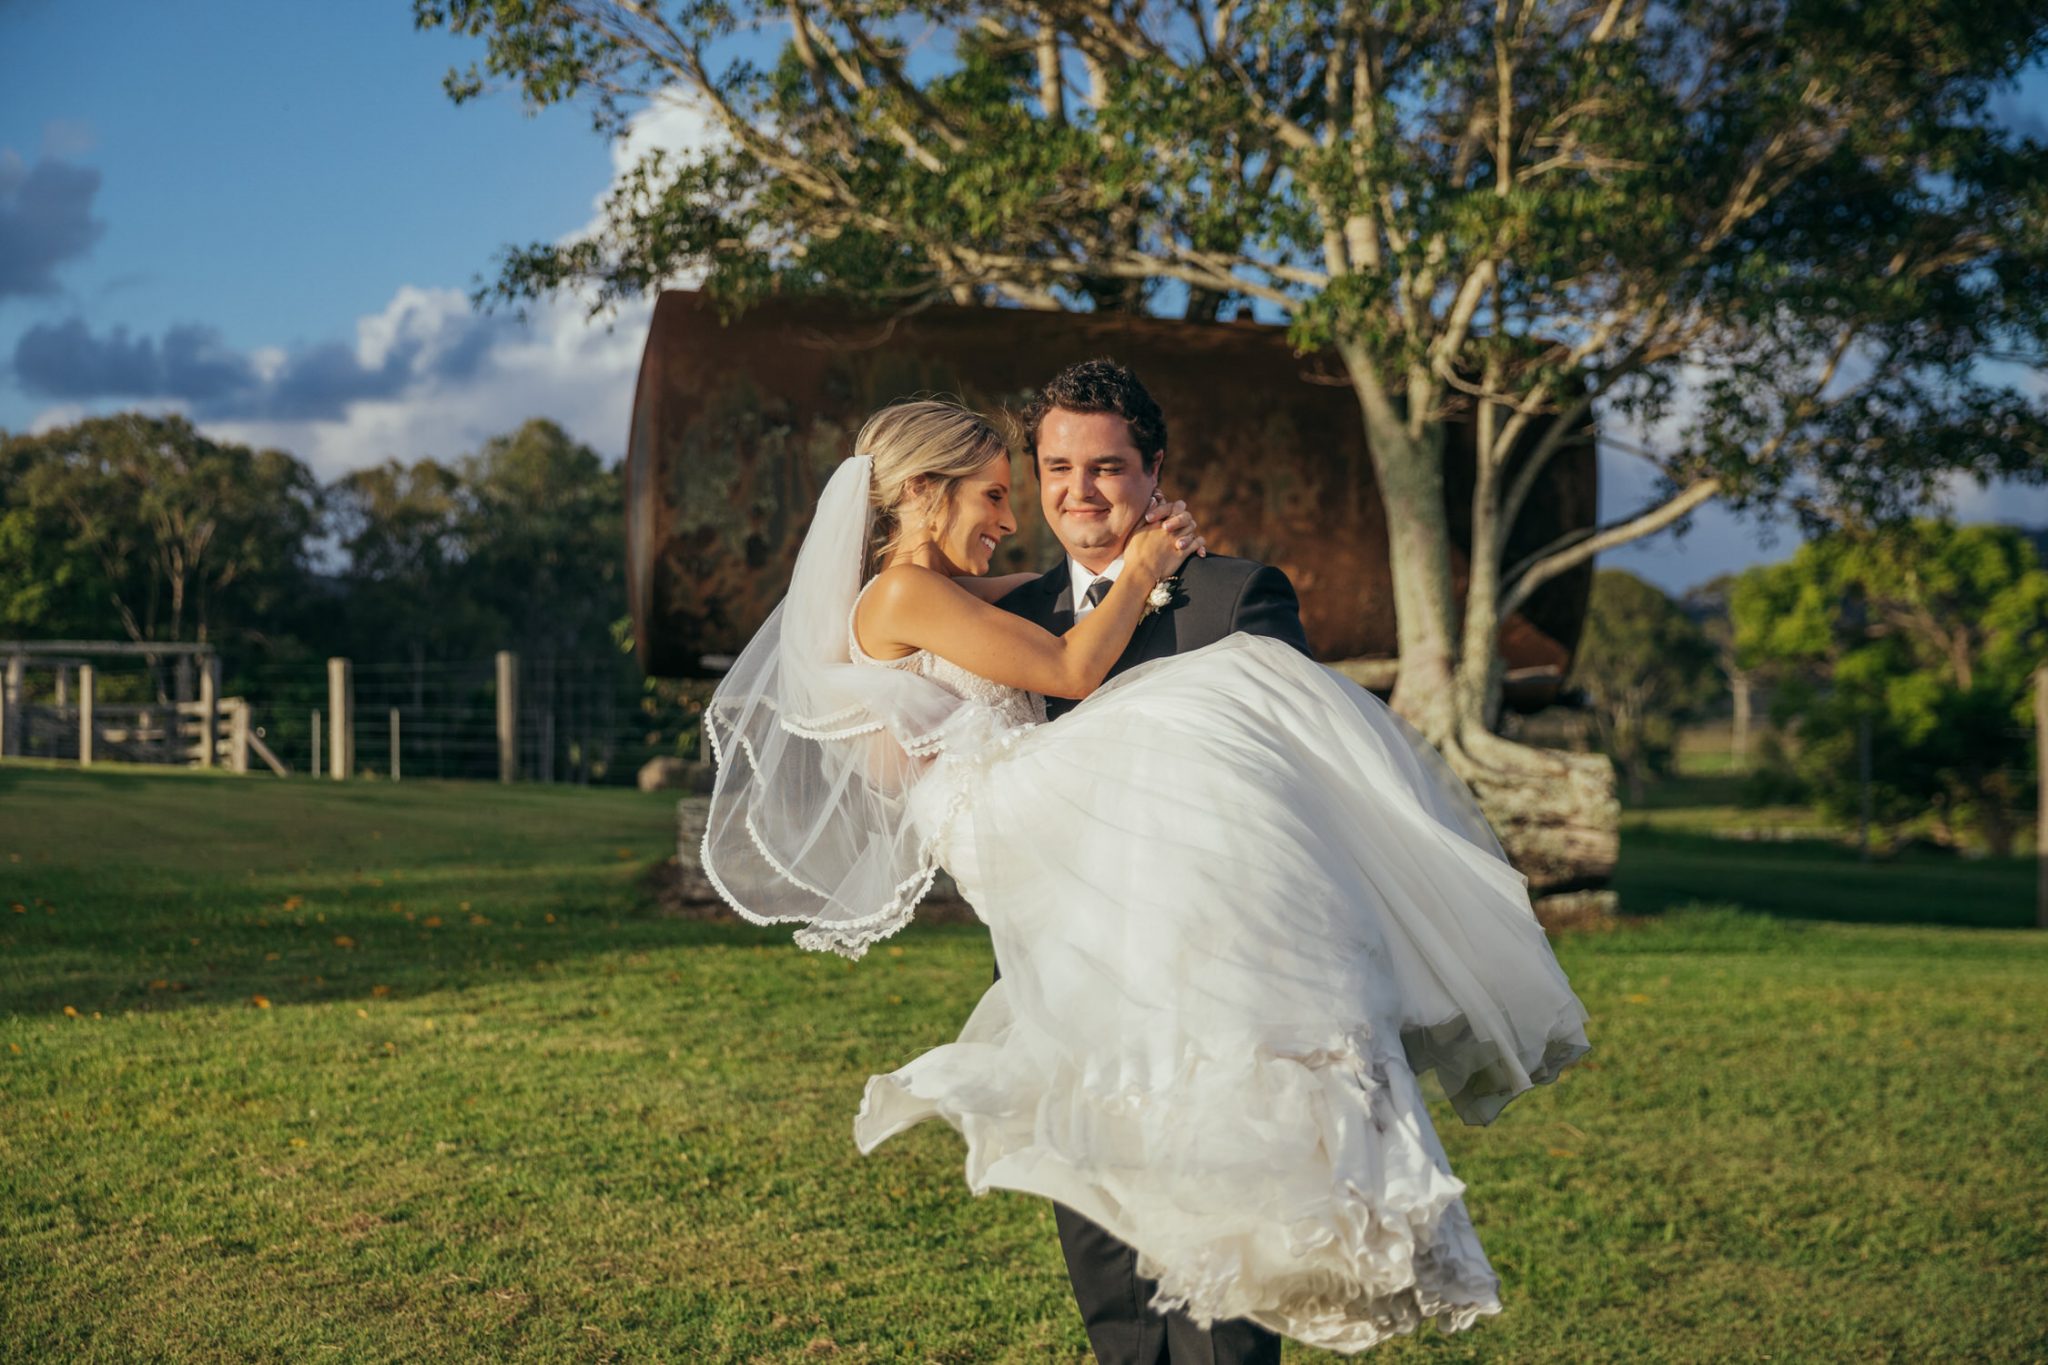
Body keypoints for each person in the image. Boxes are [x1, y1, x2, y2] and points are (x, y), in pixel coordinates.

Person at [700, 389, 1591, 1358]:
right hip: (1046, 891)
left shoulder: (990, 595)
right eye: (1002, 493)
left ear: (1151, 473)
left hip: (1183, 929)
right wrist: (1143, 569)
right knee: (1115, 1287)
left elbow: (1262, 758)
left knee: (1219, 1211)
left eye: (1094, 471)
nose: (1013, 517)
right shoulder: (902, 595)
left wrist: (1149, 562)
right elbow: (1069, 667)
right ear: (920, 491)